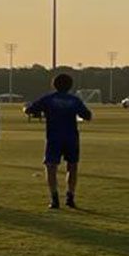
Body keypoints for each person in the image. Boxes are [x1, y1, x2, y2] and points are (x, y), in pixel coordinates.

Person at [25, 73, 93, 210]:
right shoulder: (74, 100)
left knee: (51, 167)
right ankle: (70, 197)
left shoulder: (49, 99)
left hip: (54, 137)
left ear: (54, 85)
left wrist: (25, 108)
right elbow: (87, 115)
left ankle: (54, 198)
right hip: (71, 137)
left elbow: (30, 110)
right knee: (72, 167)